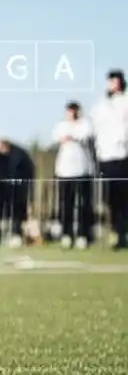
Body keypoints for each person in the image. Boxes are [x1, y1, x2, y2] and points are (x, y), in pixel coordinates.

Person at [90, 70, 128, 249]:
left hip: (123, 155)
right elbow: (95, 125)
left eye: (115, 81)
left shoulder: (125, 101)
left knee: (124, 195)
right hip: (106, 155)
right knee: (111, 197)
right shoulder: (102, 104)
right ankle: (116, 232)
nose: (112, 84)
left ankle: (123, 232)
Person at [52, 102, 95, 249]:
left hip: (82, 170)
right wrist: (67, 137)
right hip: (65, 171)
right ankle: (67, 234)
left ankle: (83, 235)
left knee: (83, 204)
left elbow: (84, 136)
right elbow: (58, 138)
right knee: (66, 204)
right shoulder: (61, 126)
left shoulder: (85, 124)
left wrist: (71, 136)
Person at [0, 139, 34, 247]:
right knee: (1, 212)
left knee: (17, 213)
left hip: (18, 189)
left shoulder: (19, 154)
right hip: (2, 189)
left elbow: (28, 171)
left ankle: (16, 234)